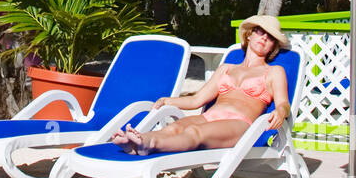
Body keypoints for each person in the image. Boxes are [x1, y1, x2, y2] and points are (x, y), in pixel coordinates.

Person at [112, 15, 290, 155]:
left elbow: (283, 103)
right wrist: (168, 101)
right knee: (175, 127)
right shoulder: (226, 68)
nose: (264, 38)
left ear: (273, 46)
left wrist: (280, 112)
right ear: (249, 35)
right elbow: (197, 100)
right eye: (260, 32)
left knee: (194, 133)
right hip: (209, 117)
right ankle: (135, 141)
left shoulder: (274, 71)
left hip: (239, 123)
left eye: (271, 37)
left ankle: (148, 144)